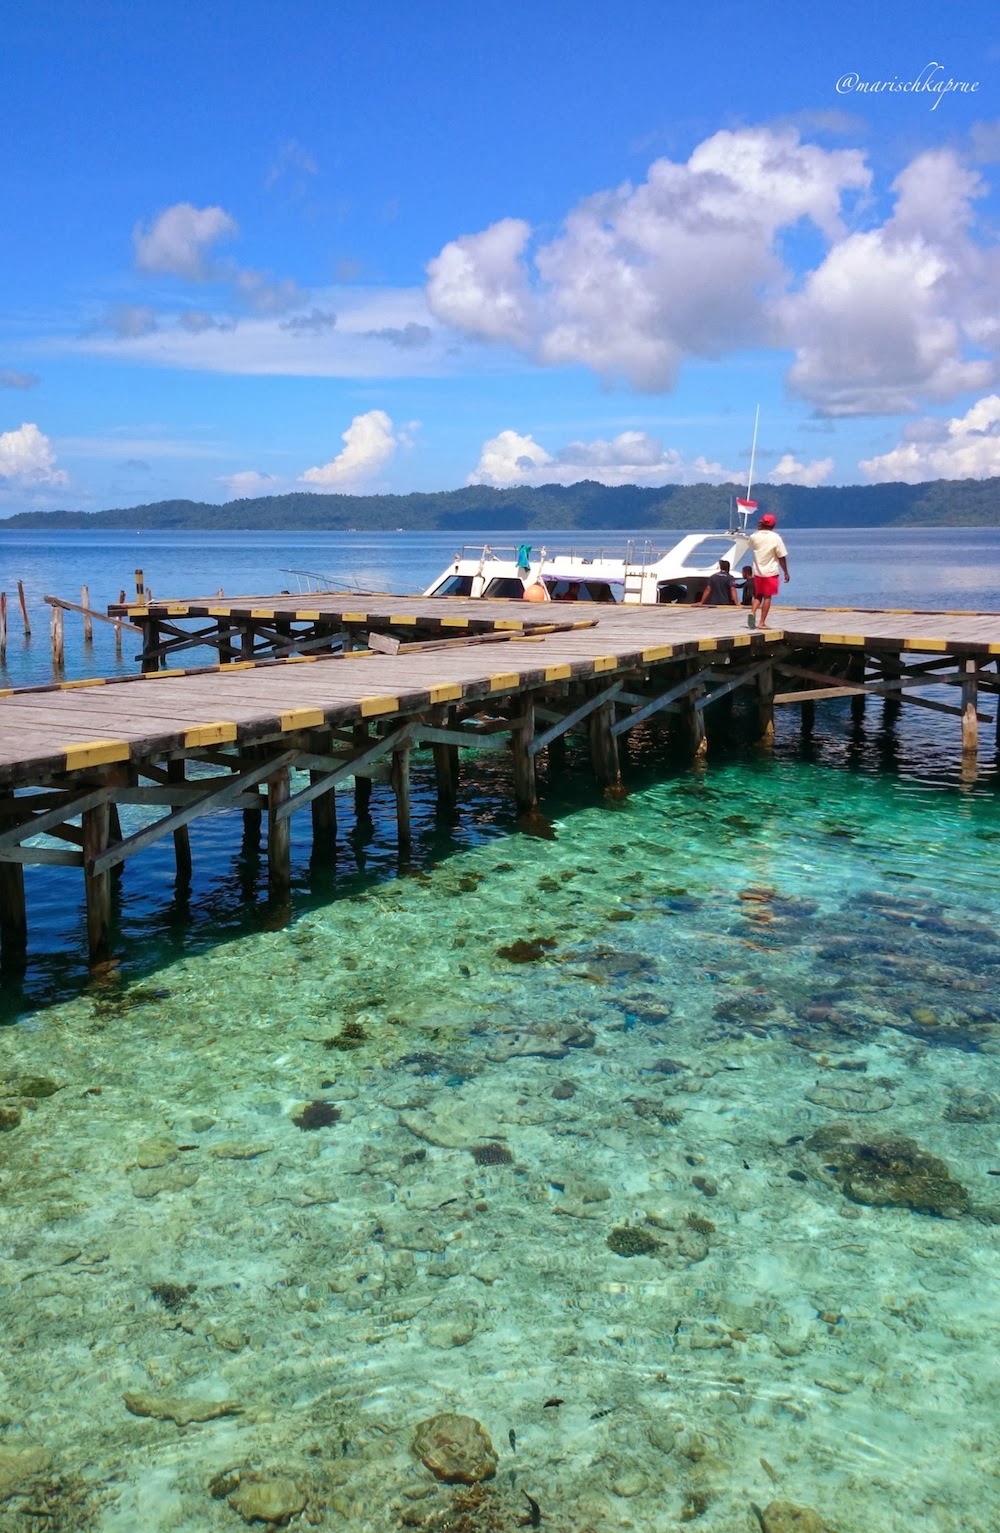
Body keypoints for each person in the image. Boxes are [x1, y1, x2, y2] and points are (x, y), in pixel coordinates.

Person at [745, 513, 789, 630]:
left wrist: (758, 530)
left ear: (761, 523)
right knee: (767, 597)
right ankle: (762, 622)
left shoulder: (754, 536)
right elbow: (781, 557)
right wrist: (786, 572)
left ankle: (753, 612)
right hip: (770, 572)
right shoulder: (776, 538)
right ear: (773, 525)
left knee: (758, 595)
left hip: (757, 571)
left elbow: (751, 545)